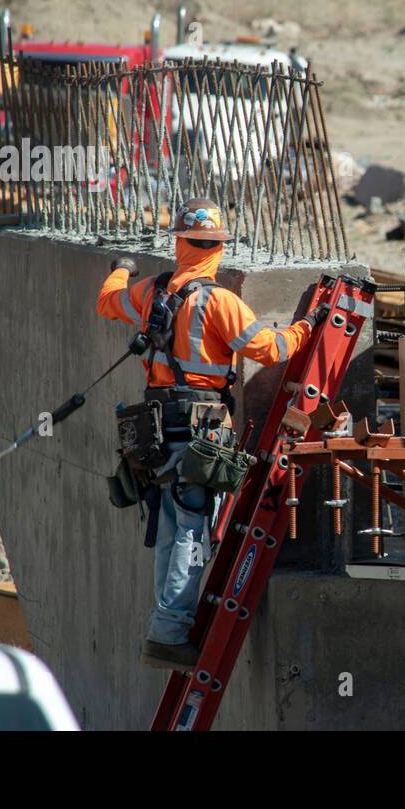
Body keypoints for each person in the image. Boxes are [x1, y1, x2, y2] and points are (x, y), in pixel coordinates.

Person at [96, 198, 327, 672]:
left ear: (178, 245)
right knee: (190, 529)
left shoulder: (151, 291)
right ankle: (168, 631)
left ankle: (166, 623)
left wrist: (120, 269)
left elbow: (106, 301)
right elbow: (268, 349)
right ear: (217, 249)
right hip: (197, 429)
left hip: (155, 427)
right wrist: (307, 328)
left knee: (167, 527)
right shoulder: (219, 301)